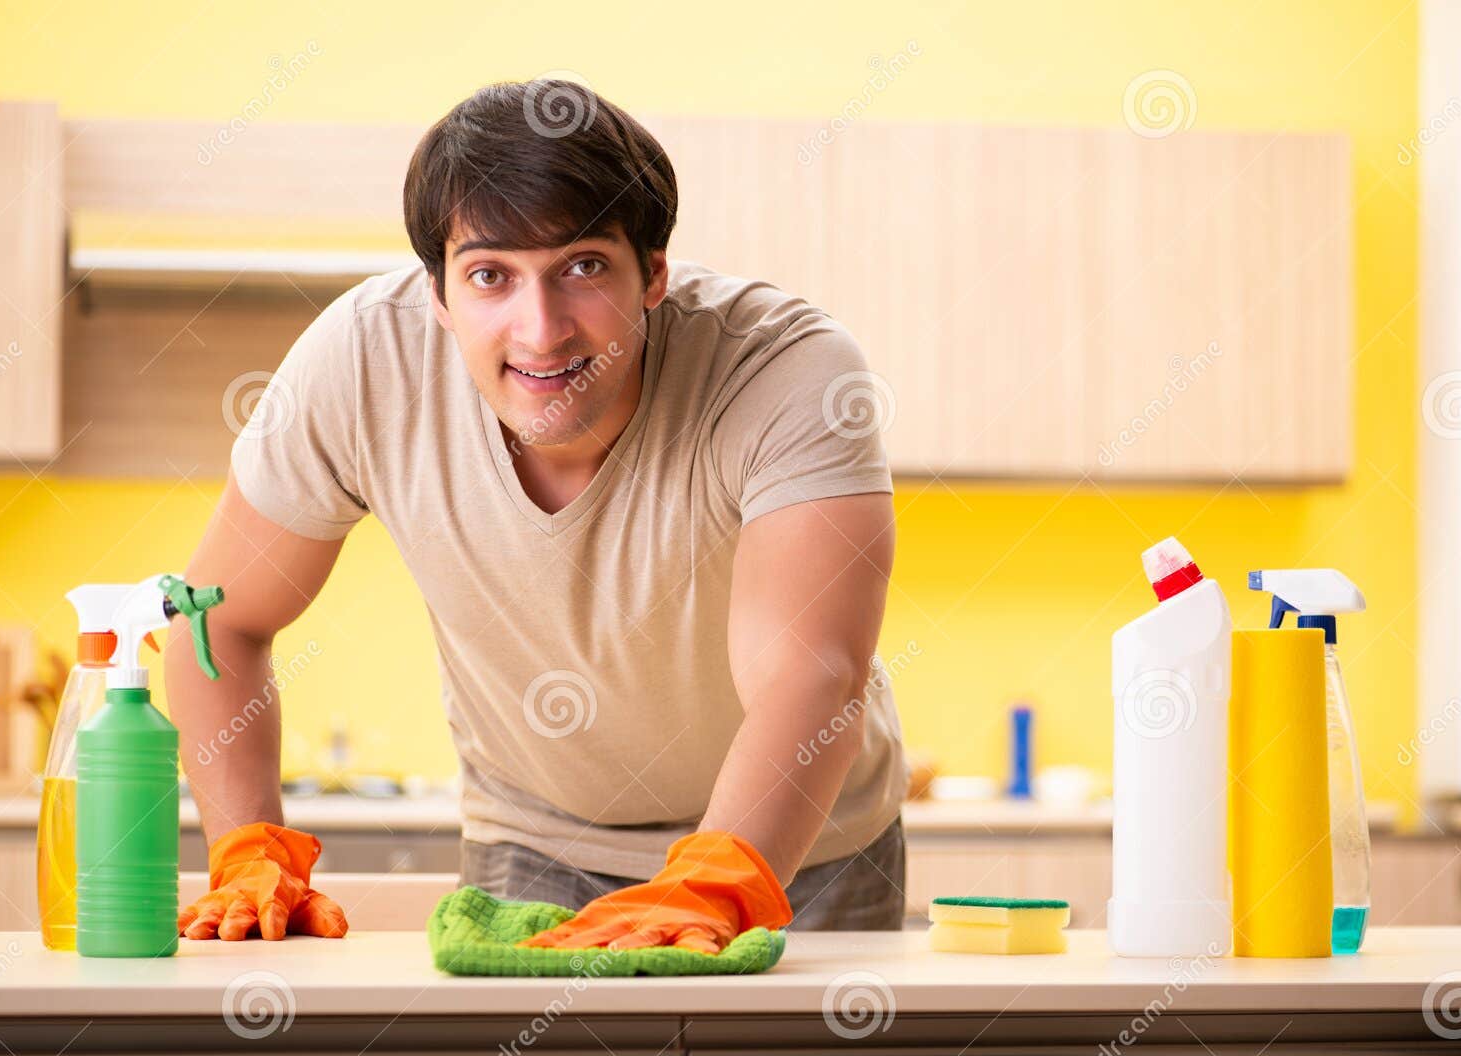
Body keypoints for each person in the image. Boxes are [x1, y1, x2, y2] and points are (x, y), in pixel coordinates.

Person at [168, 78, 909, 951]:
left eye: (583, 267)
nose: (541, 328)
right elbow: (214, 620)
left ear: (653, 274)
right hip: (535, 845)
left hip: (799, 852)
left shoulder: (785, 370)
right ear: (438, 294)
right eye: (490, 276)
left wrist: (717, 885)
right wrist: (247, 852)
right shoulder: (362, 362)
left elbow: (811, 675)